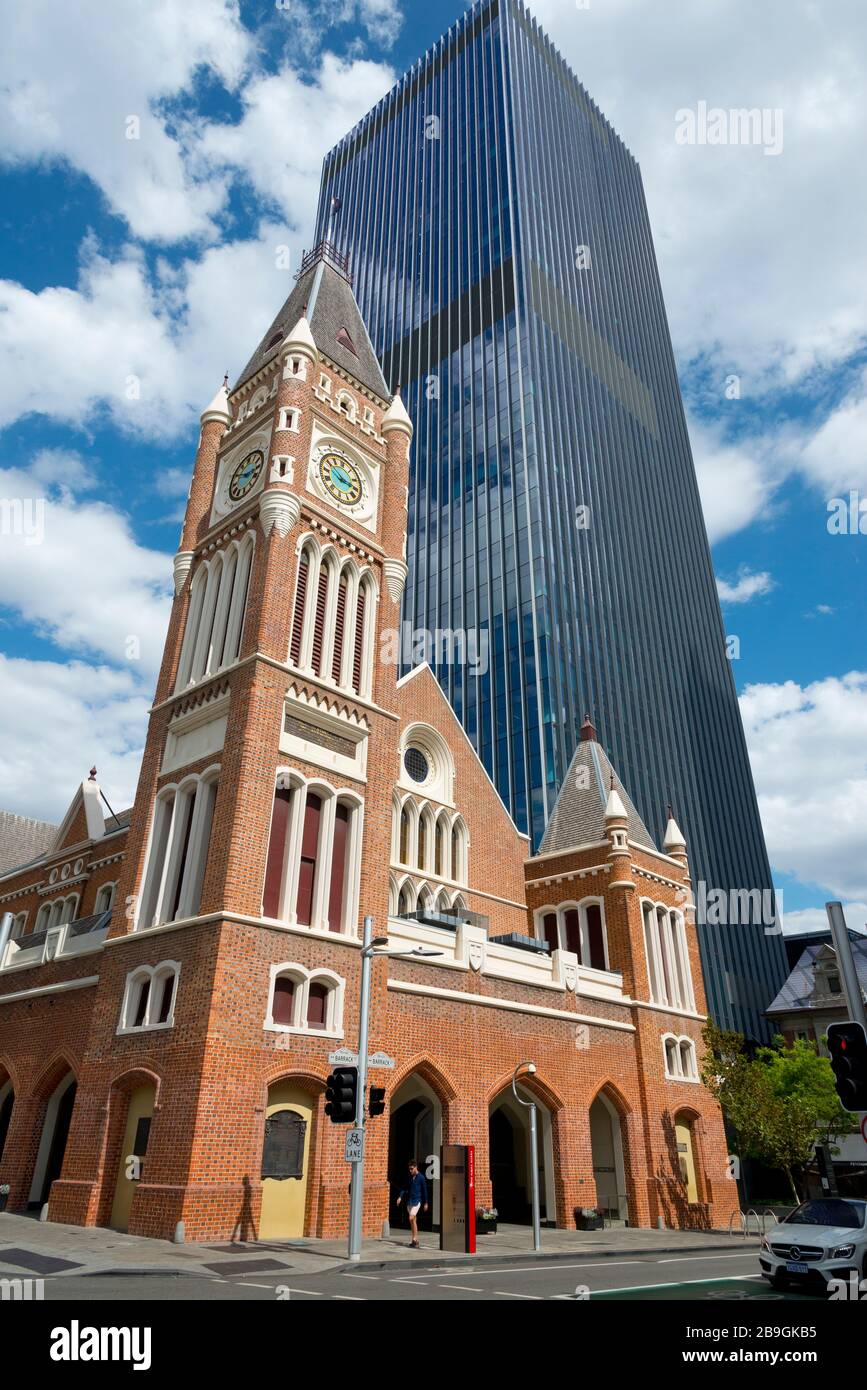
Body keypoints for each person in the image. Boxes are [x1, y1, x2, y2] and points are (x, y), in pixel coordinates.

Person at [396, 1159, 429, 1248]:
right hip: (409, 1201)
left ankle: (414, 1238)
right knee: (413, 1220)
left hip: (417, 1201)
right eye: (409, 1169)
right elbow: (404, 1188)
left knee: (411, 1217)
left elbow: (424, 1190)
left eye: (412, 1169)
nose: (410, 1171)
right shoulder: (409, 1178)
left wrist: (426, 1203)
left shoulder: (421, 1178)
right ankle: (415, 1240)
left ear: (416, 1167)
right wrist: (400, 1197)